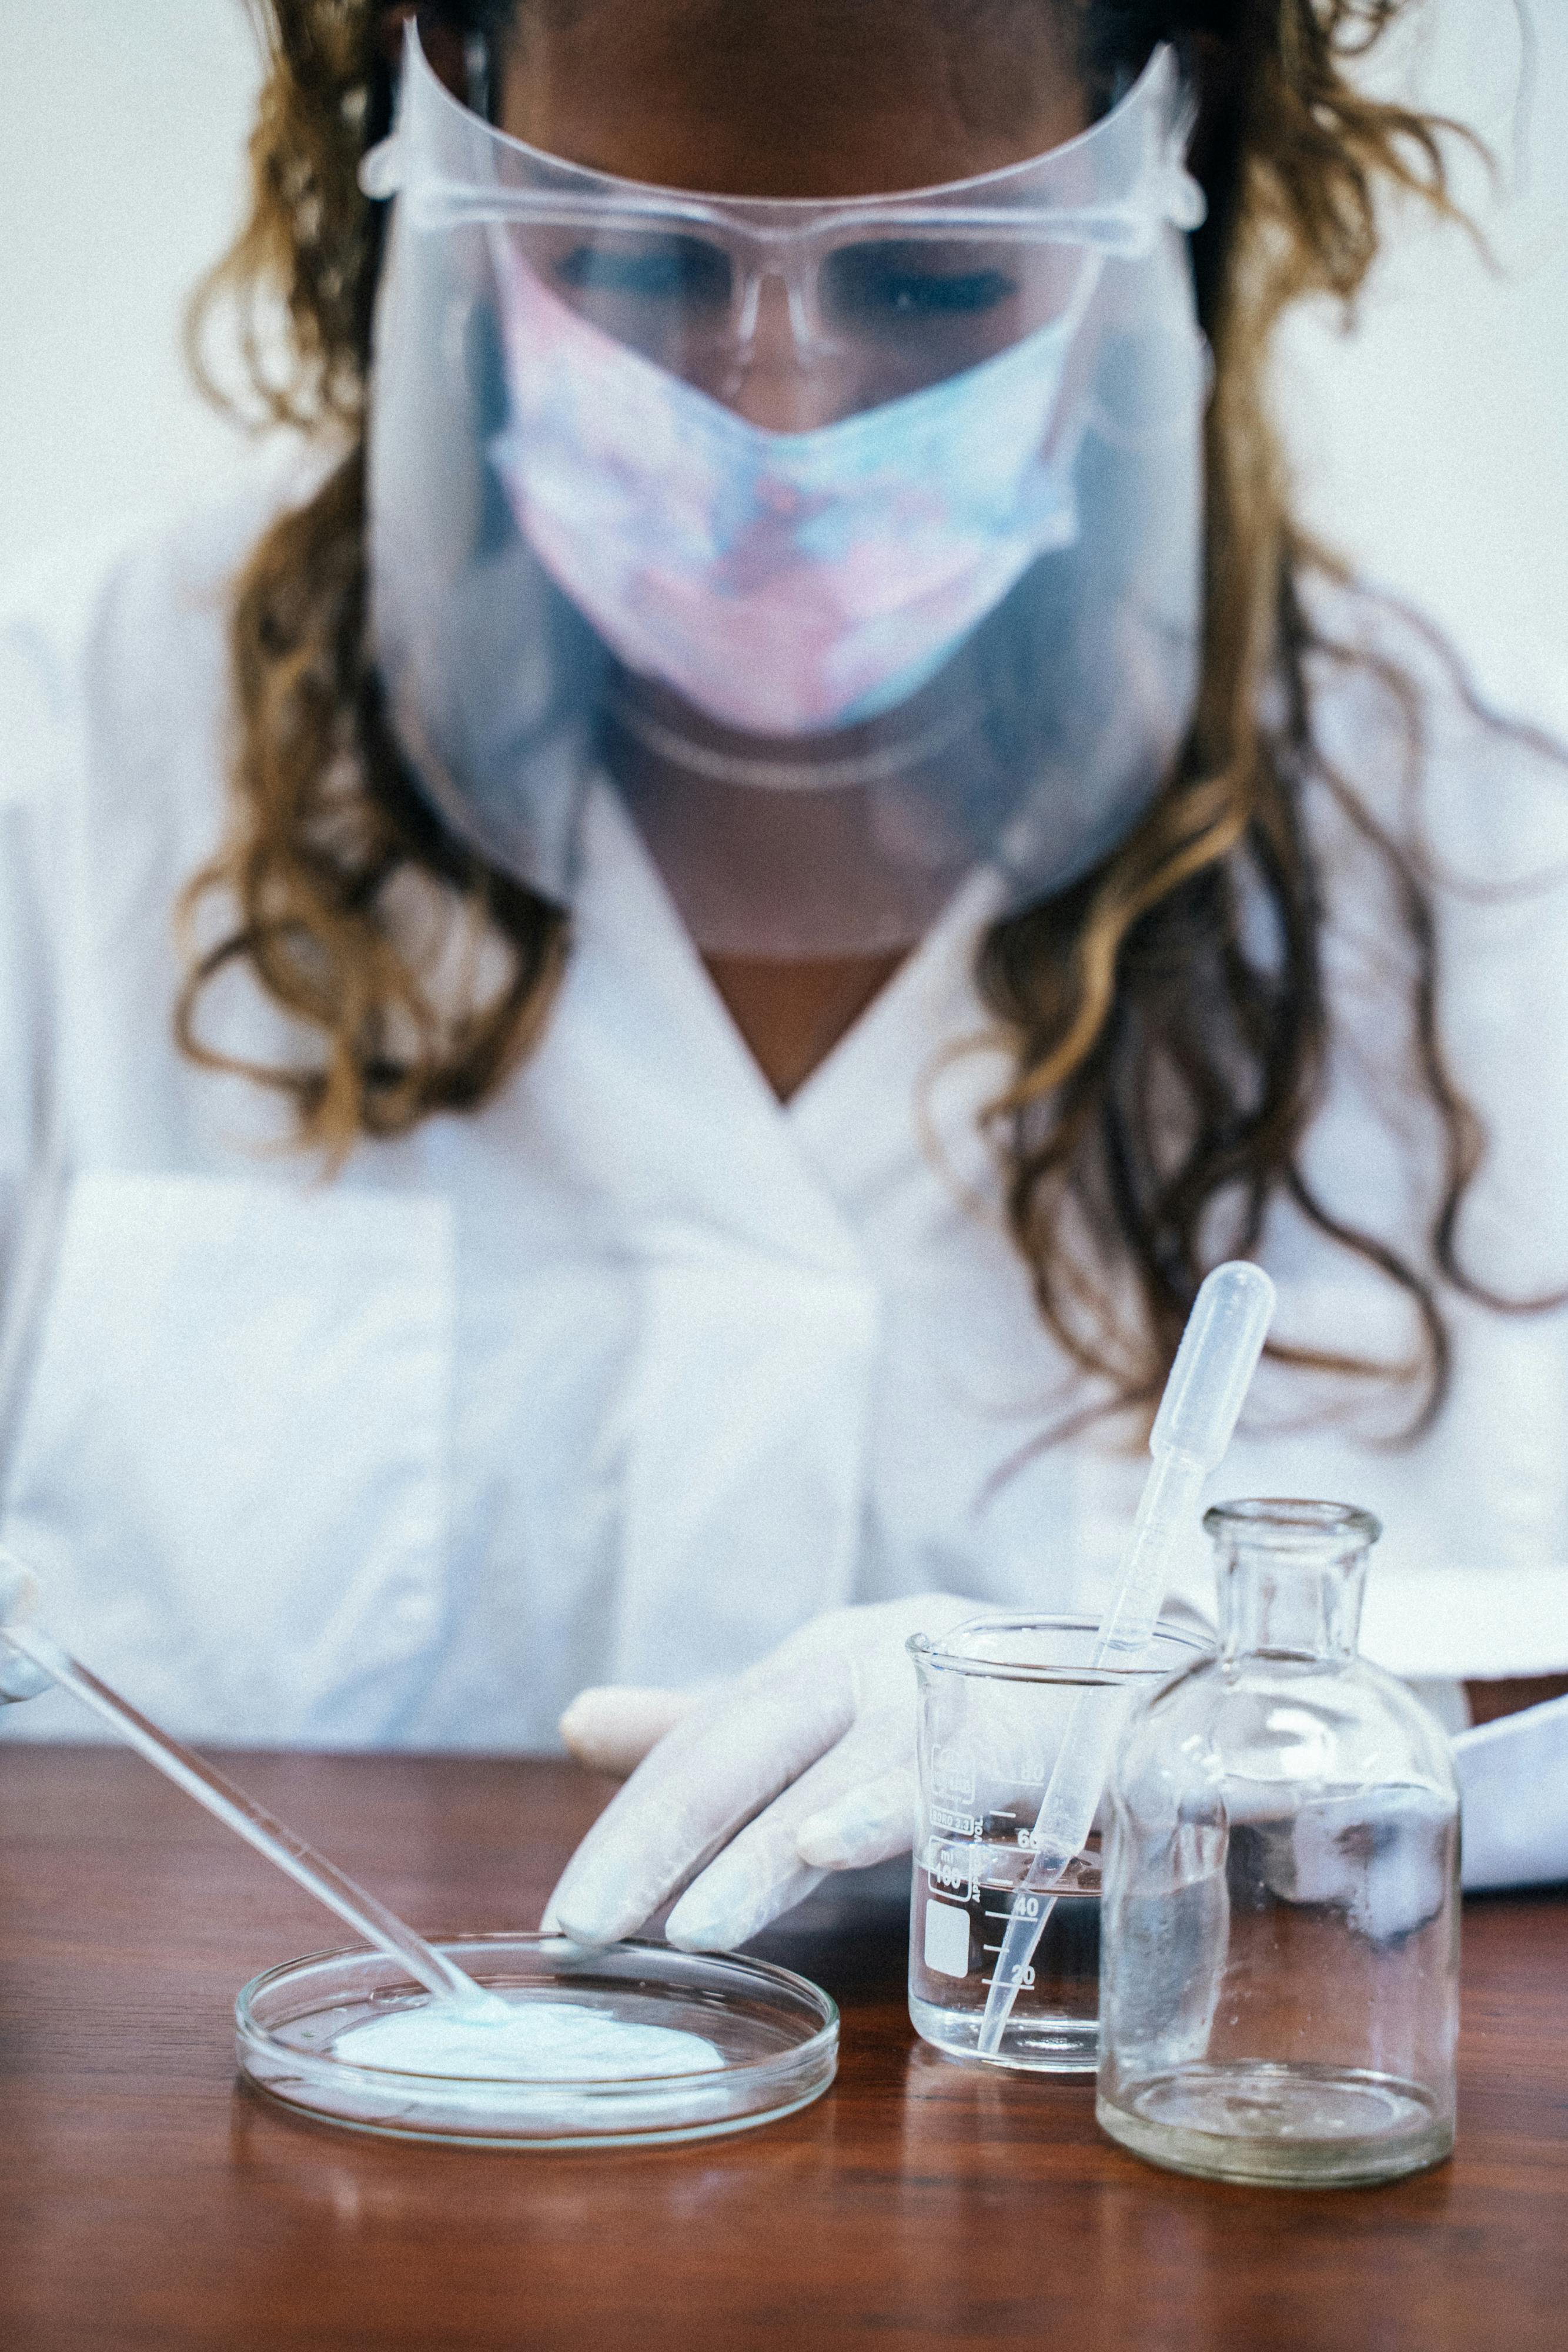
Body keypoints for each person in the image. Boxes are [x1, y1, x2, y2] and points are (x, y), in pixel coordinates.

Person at [1, 2, 1566, 1951]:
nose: (781, 411)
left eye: (928, 281)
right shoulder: (67, 769)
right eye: (643, 265)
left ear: (1160, 179)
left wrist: (1212, 1736)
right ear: (452, 147)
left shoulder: (1502, 872)